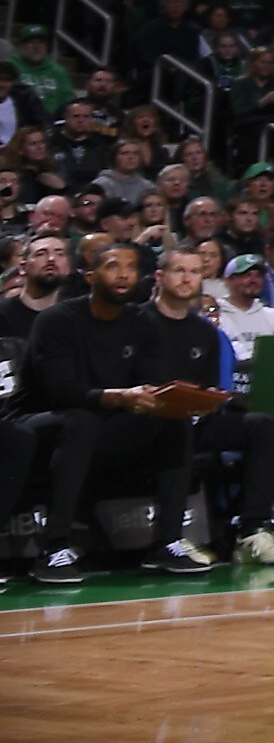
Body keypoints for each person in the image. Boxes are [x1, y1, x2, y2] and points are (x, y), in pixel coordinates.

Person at [27, 236, 217, 582]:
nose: (123, 274)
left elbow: (151, 382)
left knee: (173, 422)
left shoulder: (142, 323)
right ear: (90, 276)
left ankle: (167, 543)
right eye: (112, 266)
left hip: (105, 429)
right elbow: (60, 392)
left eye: (130, 267)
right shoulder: (58, 319)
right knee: (80, 421)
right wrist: (119, 397)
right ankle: (53, 549)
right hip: (42, 427)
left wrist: (179, 400)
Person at [139, 245, 274, 563]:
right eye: (179, 271)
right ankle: (167, 542)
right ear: (160, 276)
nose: (187, 279)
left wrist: (209, 402)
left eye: (194, 272)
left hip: (193, 419)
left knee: (262, 426)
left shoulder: (206, 333)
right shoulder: (136, 322)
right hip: (144, 421)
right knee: (176, 425)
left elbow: (208, 388)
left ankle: (252, 530)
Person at [210, 253, 274, 361]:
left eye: (258, 275)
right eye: (246, 275)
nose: (253, 280)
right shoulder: (215, 314)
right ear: (228, 280)